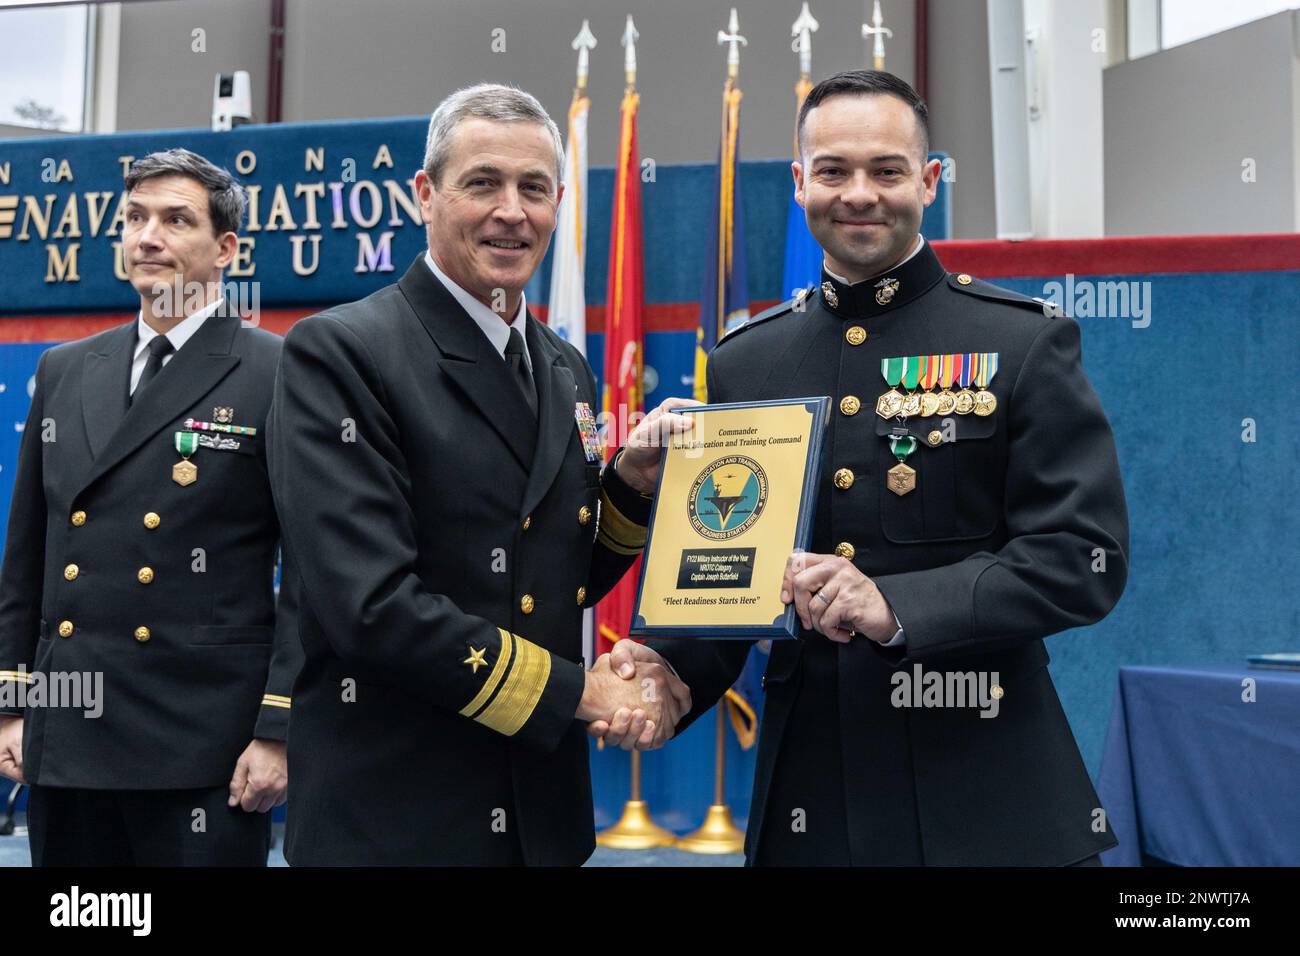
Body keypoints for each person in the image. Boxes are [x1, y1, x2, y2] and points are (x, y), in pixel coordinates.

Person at [593, 71, 1129, 866]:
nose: (861, 194)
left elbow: (1083, 561)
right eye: (835, 171)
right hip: (813, 800)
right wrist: (670, 669)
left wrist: (895, 605)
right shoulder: (748, 362)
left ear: (930, 179)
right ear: (800, 182)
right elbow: (729, 574)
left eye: (887, 170)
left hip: (985, 793)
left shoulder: (1021, 344)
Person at [267, 83, 690, 866]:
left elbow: (565, 576)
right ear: (425, 195)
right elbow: (370, 605)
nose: (511, 211)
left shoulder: (566, 371)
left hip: (540, 814)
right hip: (397, 817)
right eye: (482, 183)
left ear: (559, 205)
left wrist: (629, 481)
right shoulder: (341, 353)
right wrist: (581, 693)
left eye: (534, 189)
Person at [0, 148, 300, 865]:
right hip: (69, 734)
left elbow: (316, 569)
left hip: (203, 745)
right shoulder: (66, 369)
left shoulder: (279, 369)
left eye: (175, 219)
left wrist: (279, 726)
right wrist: (12, 704)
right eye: (134, 218)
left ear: (226, 248)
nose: (147, 236)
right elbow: (27, 556)